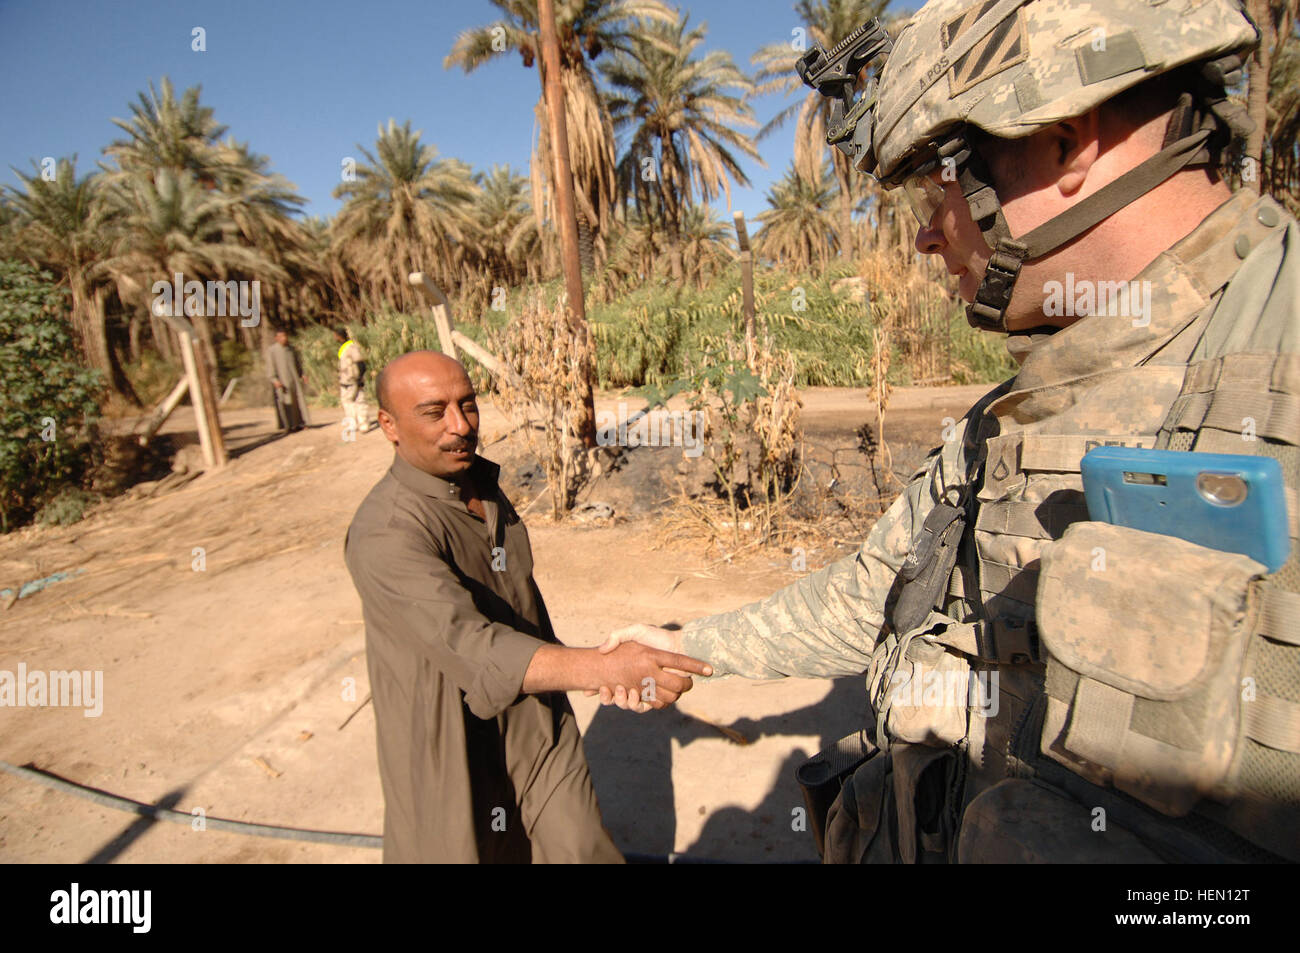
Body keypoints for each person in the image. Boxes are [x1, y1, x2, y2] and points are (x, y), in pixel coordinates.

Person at [600, 0, 1299, 864]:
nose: (929, 234)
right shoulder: (1021, 403)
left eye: (941, 187)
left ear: (1068, 142)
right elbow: (876, 592)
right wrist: (689, 645)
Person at [343, 351, 711, 863]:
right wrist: (605, 665)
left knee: (581, 847)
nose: (460, 425)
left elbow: (522, 610)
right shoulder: (385, 532)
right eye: (434, 412)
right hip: (447, 740)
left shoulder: (482, 488)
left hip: (536, 716)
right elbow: (472, 647)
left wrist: (597, 673)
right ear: (389, 425)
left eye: (467, 404)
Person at [333, 326, 377, 434]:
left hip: (351, 380)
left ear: (339, 336)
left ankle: (359, 424)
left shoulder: (350, 347)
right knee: (357, 401)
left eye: (335, 336)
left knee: (352, 401)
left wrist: (359, 378)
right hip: (349, 380)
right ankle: (361, 424)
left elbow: (360, 363)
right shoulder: (345, 347)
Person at [266, 328, 310, 432]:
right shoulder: (272, 351)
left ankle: (301, 423)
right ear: (276, 338)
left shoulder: (291, 349)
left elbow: (298, 364)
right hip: (282, 382)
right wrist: (274, 380)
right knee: (285, 402)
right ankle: (289, 426)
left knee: (298, 402)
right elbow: (270, 368)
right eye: (281, 336)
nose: (284, 338)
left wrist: (302, 374)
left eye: (285, 336)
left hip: (294, 380)